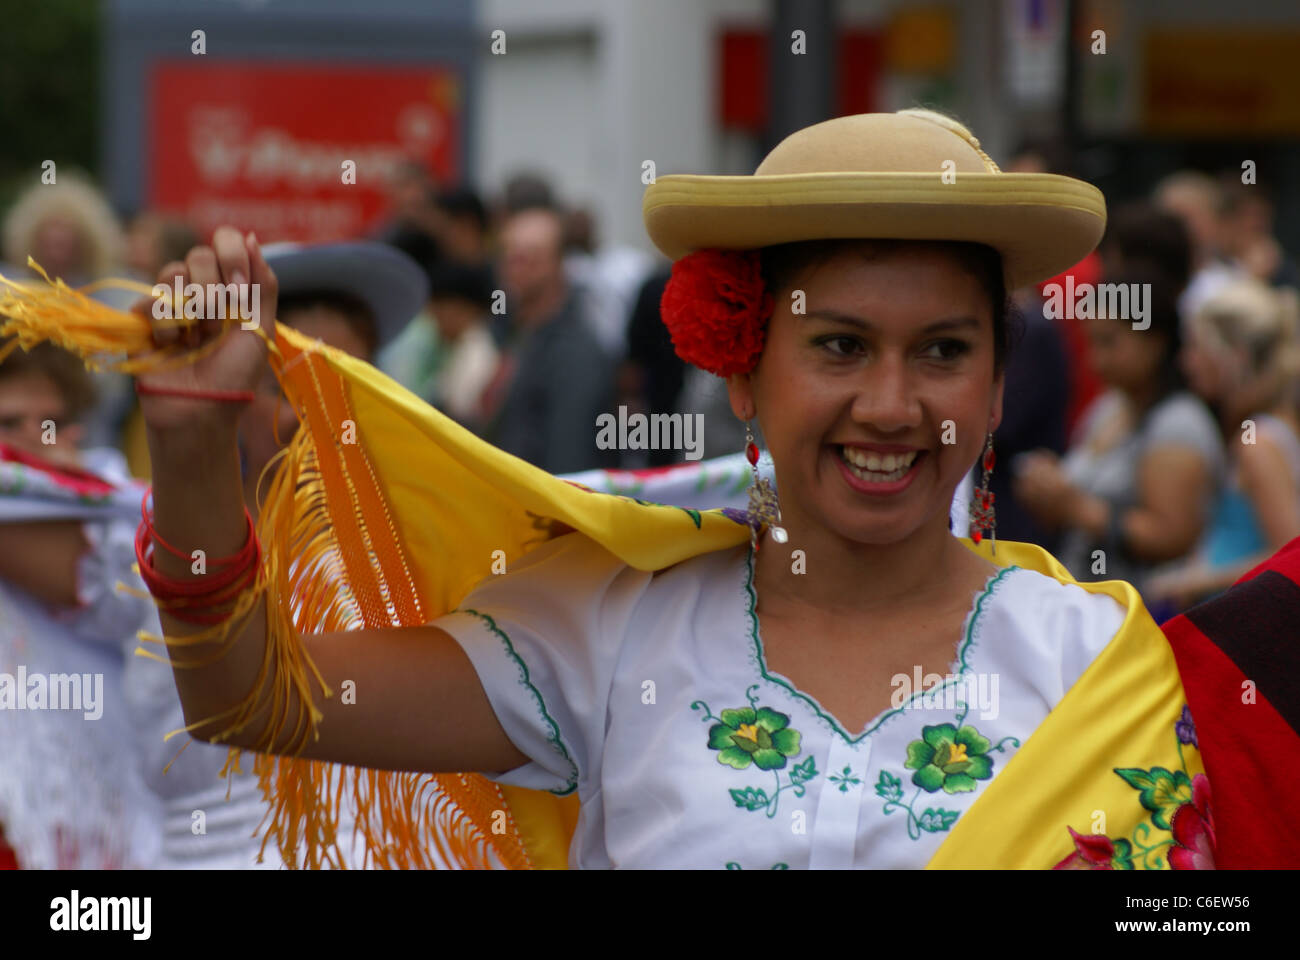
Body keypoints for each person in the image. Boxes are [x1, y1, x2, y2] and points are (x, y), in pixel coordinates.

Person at [108, 108, 1241, 870]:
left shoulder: (1094, 659)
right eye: (839, 348)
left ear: (996, 389)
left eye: (943, 352)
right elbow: (256, 697)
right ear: (743, 374)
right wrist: (199, 445)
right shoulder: (613, 620)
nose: (892, 406)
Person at [123, 240, 427, 869]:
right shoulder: (162, 553)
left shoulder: (431, 553)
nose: (302, 416)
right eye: (274, 384)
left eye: (340, 378)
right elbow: (166, 761)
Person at [0, 342, 161, 869]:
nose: (31, 438)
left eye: (50, 421)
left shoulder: (111, 513)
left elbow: (135, 600)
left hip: (98, 809)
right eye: (9, 422)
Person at [1015, 267, 1224, 610]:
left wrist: (1077, 507)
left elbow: (1174, 537)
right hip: (1082, 603)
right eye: (1091, 342)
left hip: (1139, 619)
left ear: (1155, 341)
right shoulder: (1108, 408)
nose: (1097, 360)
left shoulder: (1178, 424)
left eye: (1111, 342)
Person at [1145, 280, 1300, 610]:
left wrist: (1194, 580)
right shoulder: (1257, 429)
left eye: (1197, 349)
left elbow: (1288, 558)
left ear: (1234, 358)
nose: (1187, 362)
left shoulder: (1257, 441)